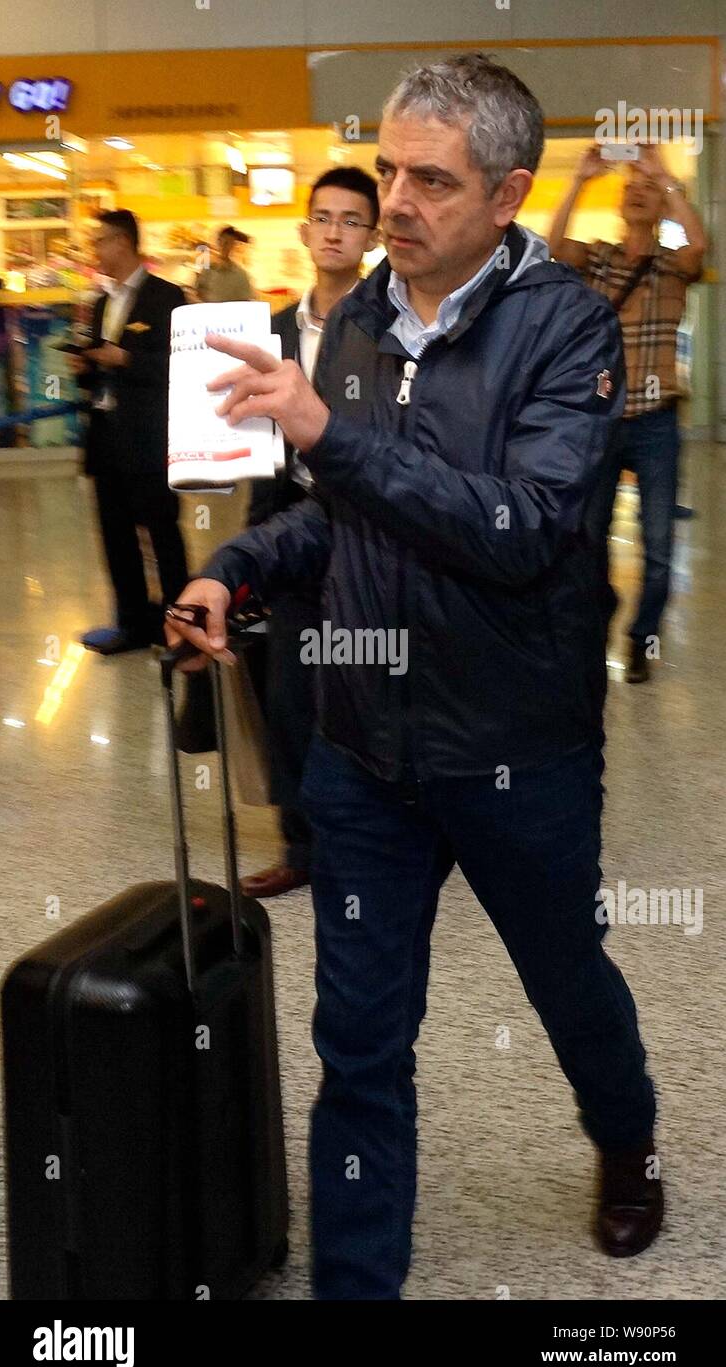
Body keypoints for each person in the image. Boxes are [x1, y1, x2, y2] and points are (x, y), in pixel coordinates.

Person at [167, 53, 662, 1300]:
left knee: (569, 984)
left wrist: (332, 437)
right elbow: (337, 517)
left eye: (427, 180)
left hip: (516, 749)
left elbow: (524, 527)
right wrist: (235, 564)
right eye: (385, 167)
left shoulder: (566, 326)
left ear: (504, 197)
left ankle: (623, 1135)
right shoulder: (353, 322)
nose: (392, 198)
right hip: (361, 757)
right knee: (359, 1046)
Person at [242, 166, 380, 899]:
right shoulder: (268, 334)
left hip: (372, 531)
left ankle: (387, 837)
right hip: (294, 528)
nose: (333, 230)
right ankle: (300, 845)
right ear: (303, 231)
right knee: (289, 692)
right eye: (322, 216)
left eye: (351, 219)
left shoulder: (391, 327)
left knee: (371, 685)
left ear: (372, 235)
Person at [548, 144, 705, 682]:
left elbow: (700, 245)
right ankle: (601, 612)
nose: (636, 191)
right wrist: (579, 180)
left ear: (660, 207)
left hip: (658, 422)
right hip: (603, 421)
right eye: (629, 186)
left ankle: (643, 638)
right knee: (587, 539)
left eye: (646, 189)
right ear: (618, 205)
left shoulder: (672, 267)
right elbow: (551, 247)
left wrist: (666, 180)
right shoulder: (598, 259)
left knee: (659, 544)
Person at [78, 210, 188, 655]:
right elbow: (98, 363)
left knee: (162, 530)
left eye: (100, 241)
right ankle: (133, 622)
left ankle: (181, 620)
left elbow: (178, 365)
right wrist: (85, 365)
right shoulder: (102, 302)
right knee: (115, 532)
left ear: (123, 242)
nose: (95, 251)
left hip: (148, 437)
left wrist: (126, 361)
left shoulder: (166, 297)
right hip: (106, 434)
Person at [196, 226, 255, 303]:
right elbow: (199, 292)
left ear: (232, 245)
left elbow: (245, 300)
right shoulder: (207, 270)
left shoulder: (240, 274)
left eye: (227, 242)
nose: (223, 246)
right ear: (217, 242)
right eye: (221, 241)